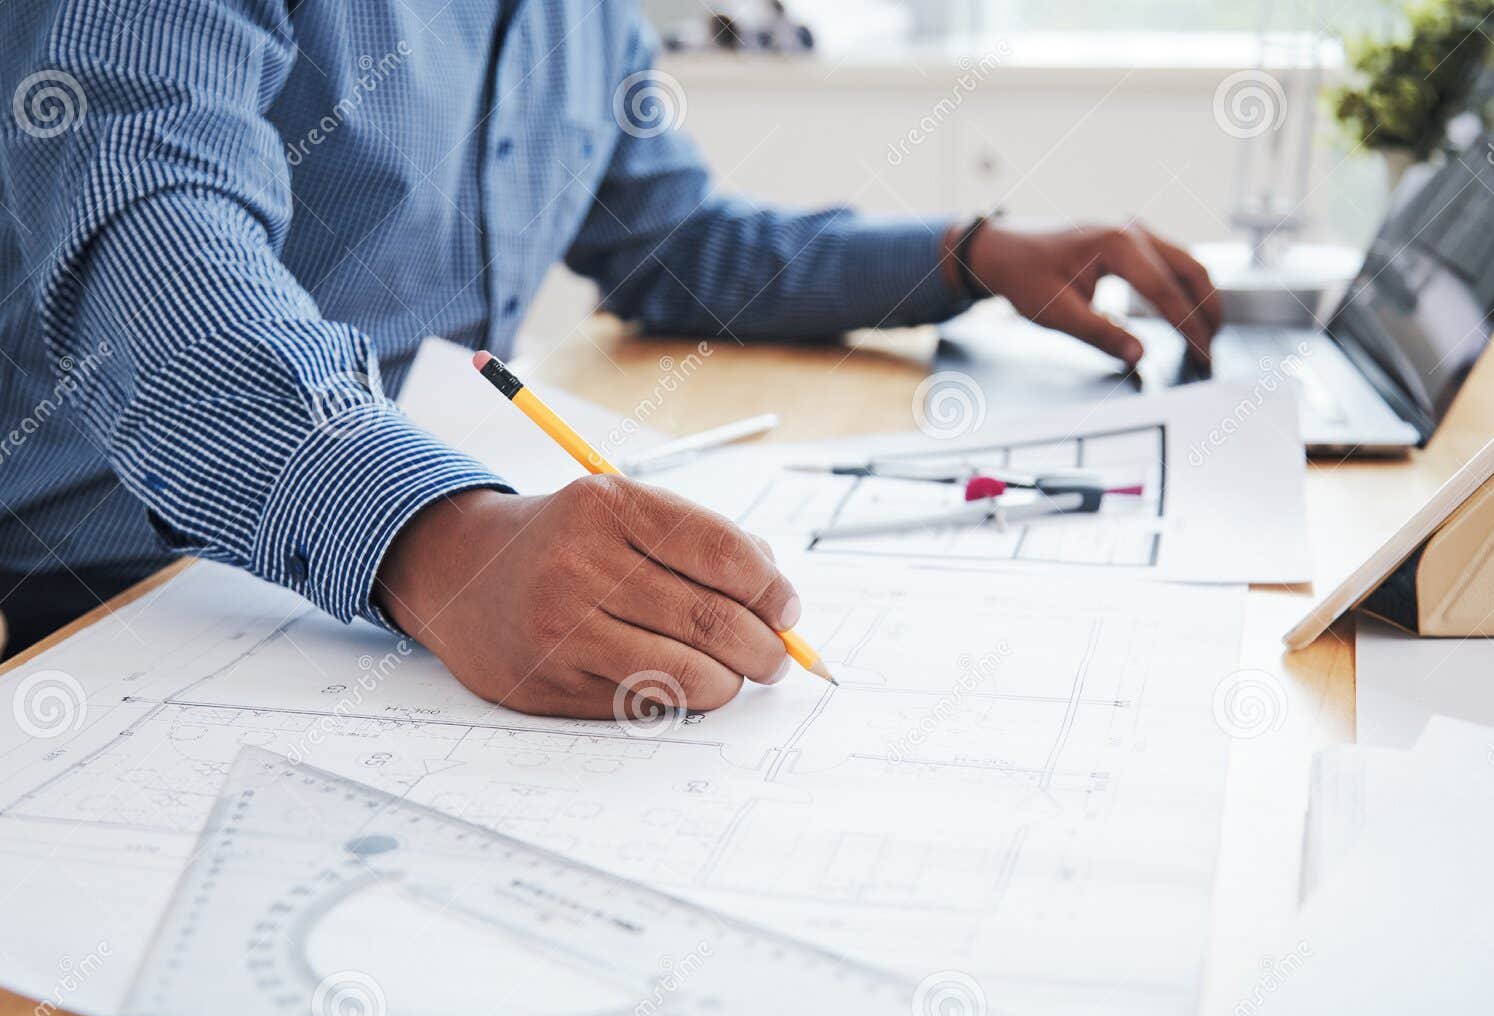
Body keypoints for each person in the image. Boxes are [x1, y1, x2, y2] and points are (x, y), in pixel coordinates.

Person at [0, 0, 1220, 714]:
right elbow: (149, 222)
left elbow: (672, 242)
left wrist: (964, 253)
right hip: (112, 589)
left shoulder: (582, 19)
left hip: (425, 563)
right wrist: (430, 538)